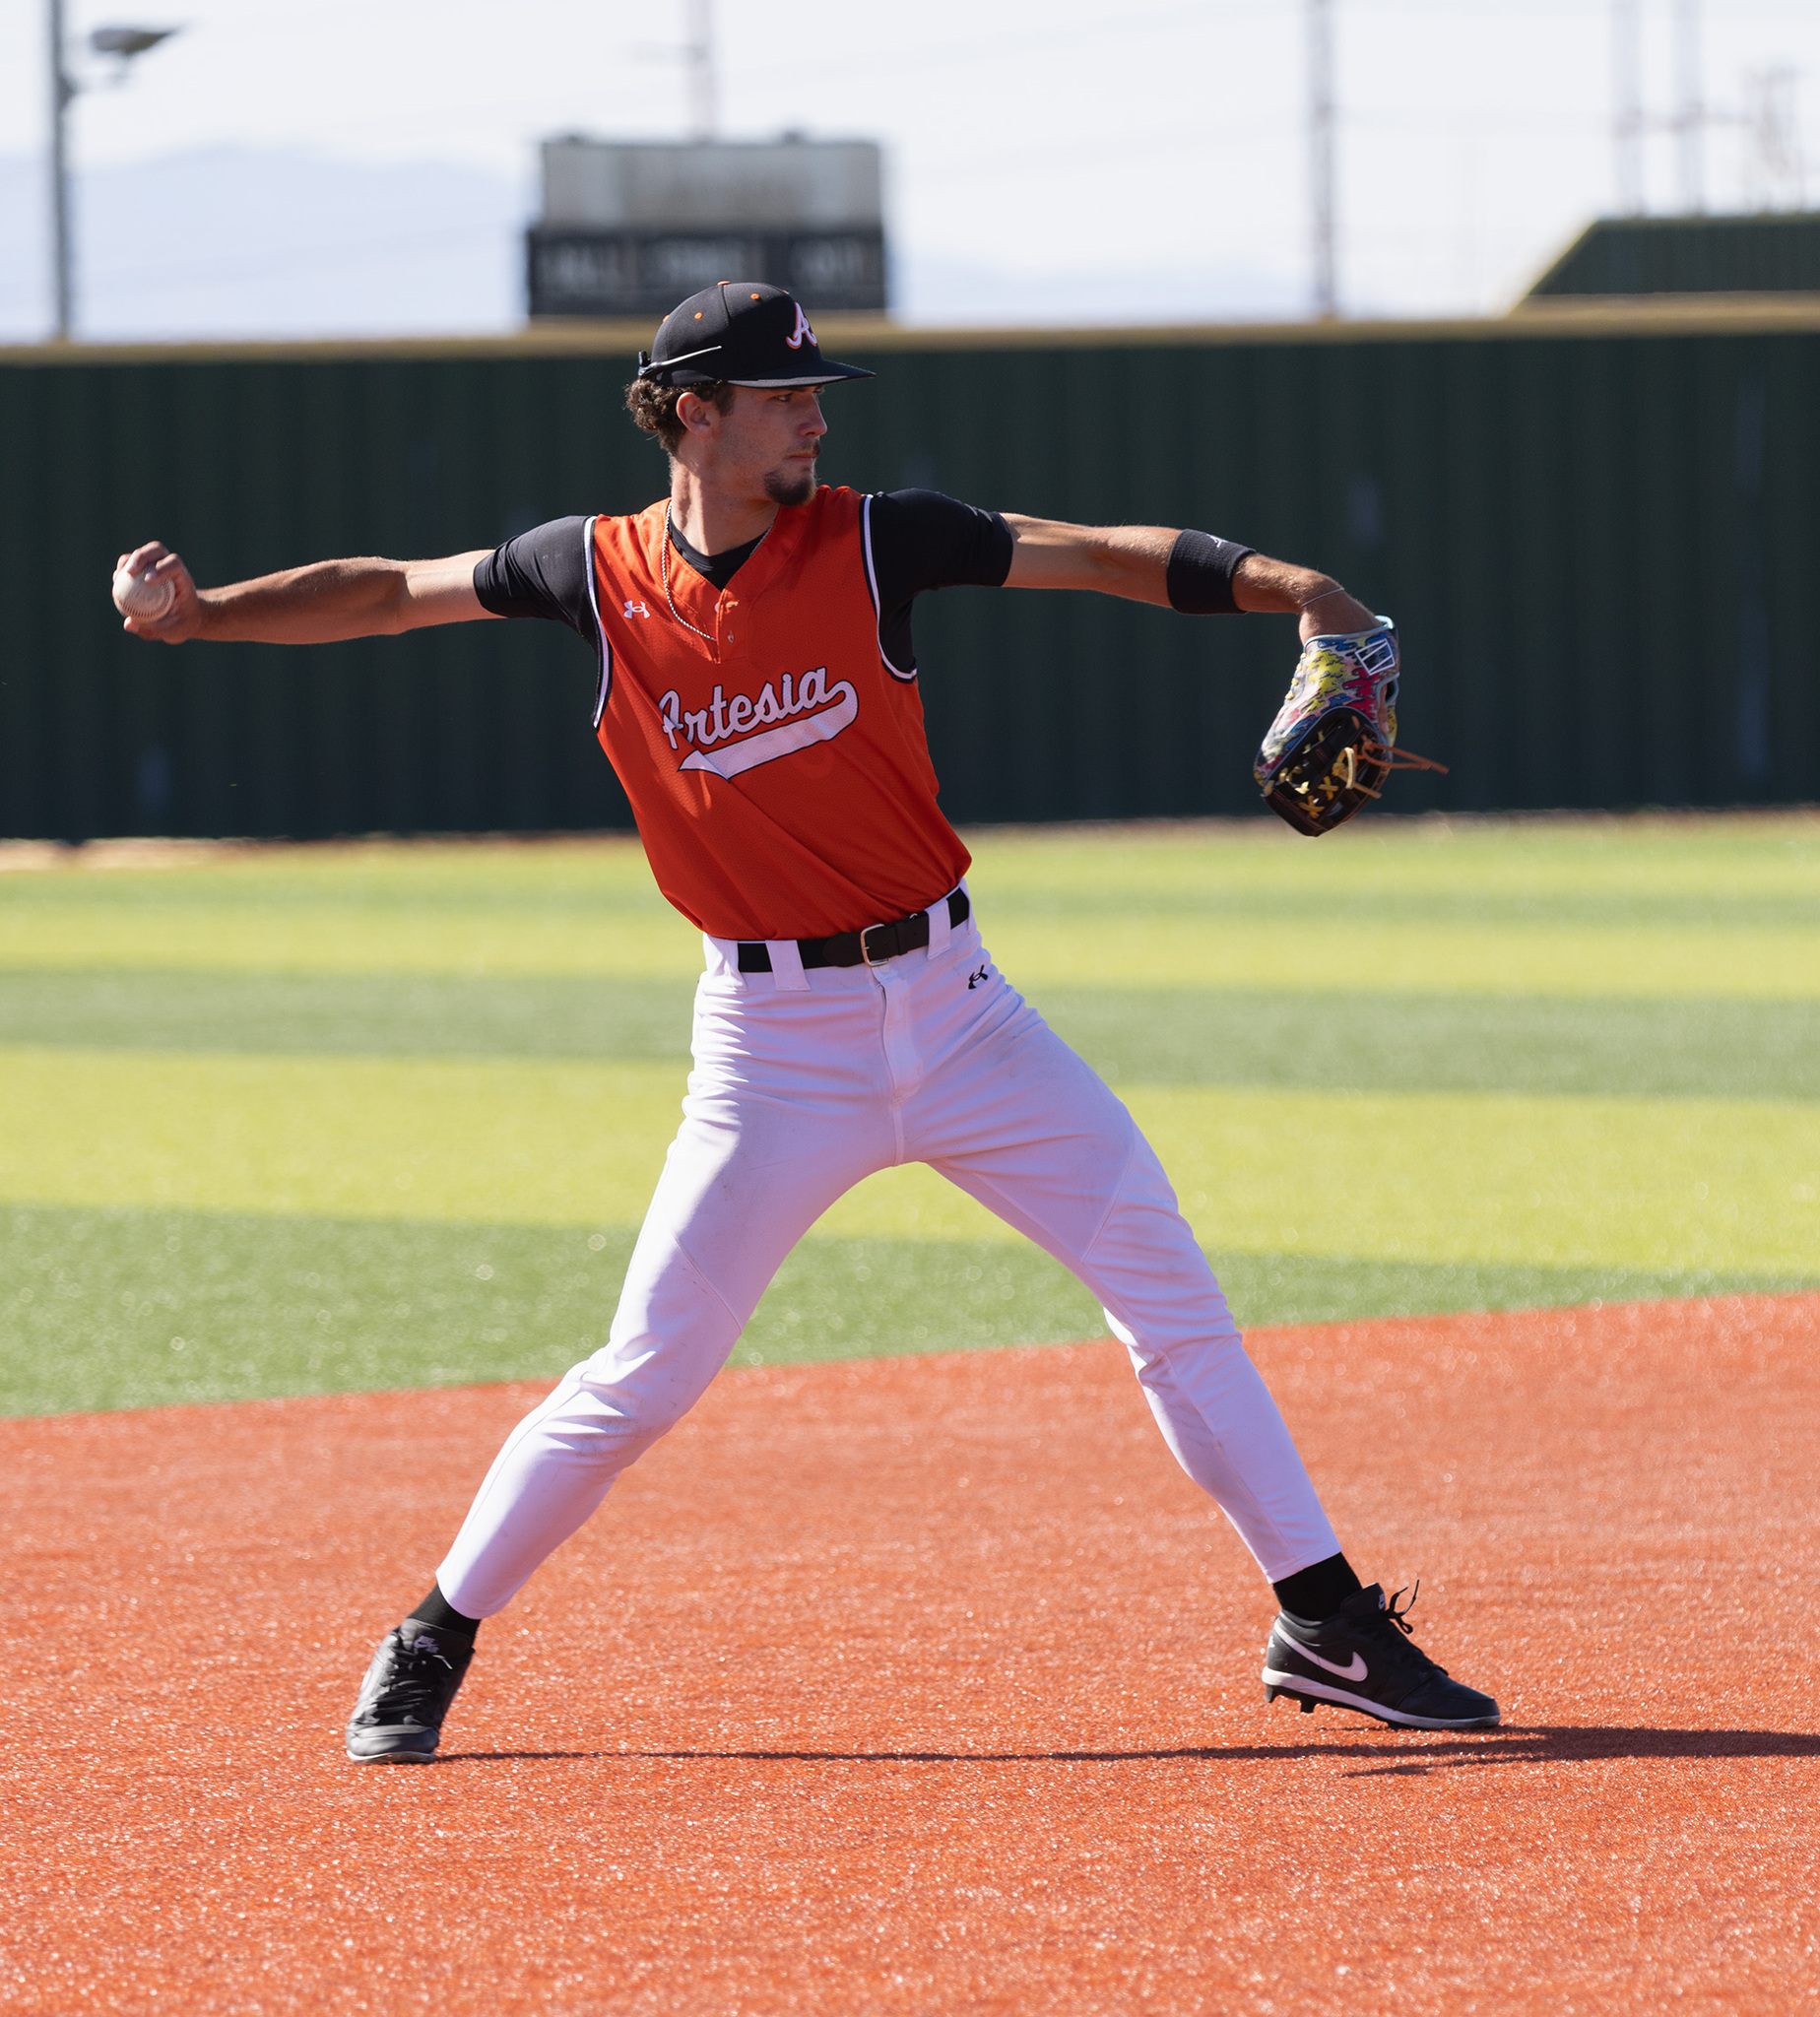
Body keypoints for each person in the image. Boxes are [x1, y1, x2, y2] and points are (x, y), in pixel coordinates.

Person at [115, 282, 1498, 1760]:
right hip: (772, 1055)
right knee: (646, 1370)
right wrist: (205, 620)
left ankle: (1324, 1615)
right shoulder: (590, 570)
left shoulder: (878, 537)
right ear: (690, 411)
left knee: (1169, 1294)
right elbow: (388, 588)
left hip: (965, 1015)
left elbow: (1093, 556)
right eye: (787, 399)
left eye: (818, 396)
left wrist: (1298, 590)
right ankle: (433, 1632)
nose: (818, 418)